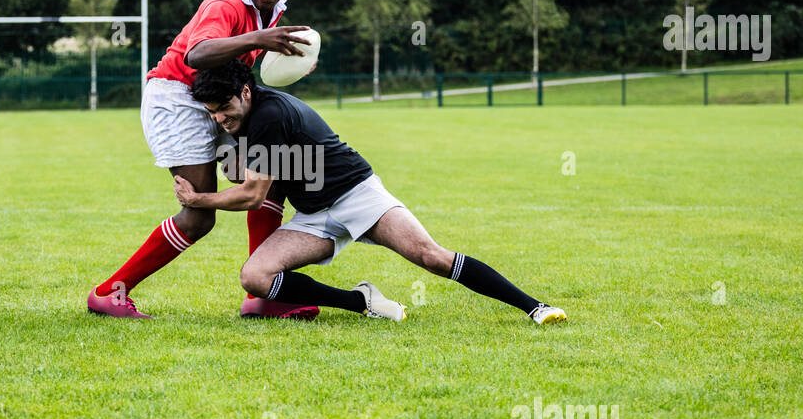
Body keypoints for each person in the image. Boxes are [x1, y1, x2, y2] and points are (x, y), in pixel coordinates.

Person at [177, 60, 568, 324]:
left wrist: (198, 201)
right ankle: (361, 301)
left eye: (223, 107)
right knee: (256, 277)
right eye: (211, 113)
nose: (219, 119)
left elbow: (250, 195)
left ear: (246, 92)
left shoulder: (268, 115)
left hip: (356, 194)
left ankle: (535, 307)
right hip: (314, 215)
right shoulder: (244, 118)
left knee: (430, 256)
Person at [87, 0, 317, 319]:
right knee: (198, 217)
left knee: (269, 177)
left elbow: (239, 64)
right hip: (176, 97)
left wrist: (293, 63)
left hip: (215, 96)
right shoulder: (224, 4)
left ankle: (263, 294)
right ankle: (110, 292)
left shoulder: (271, 9)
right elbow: (198, 54)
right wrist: (260, 38)